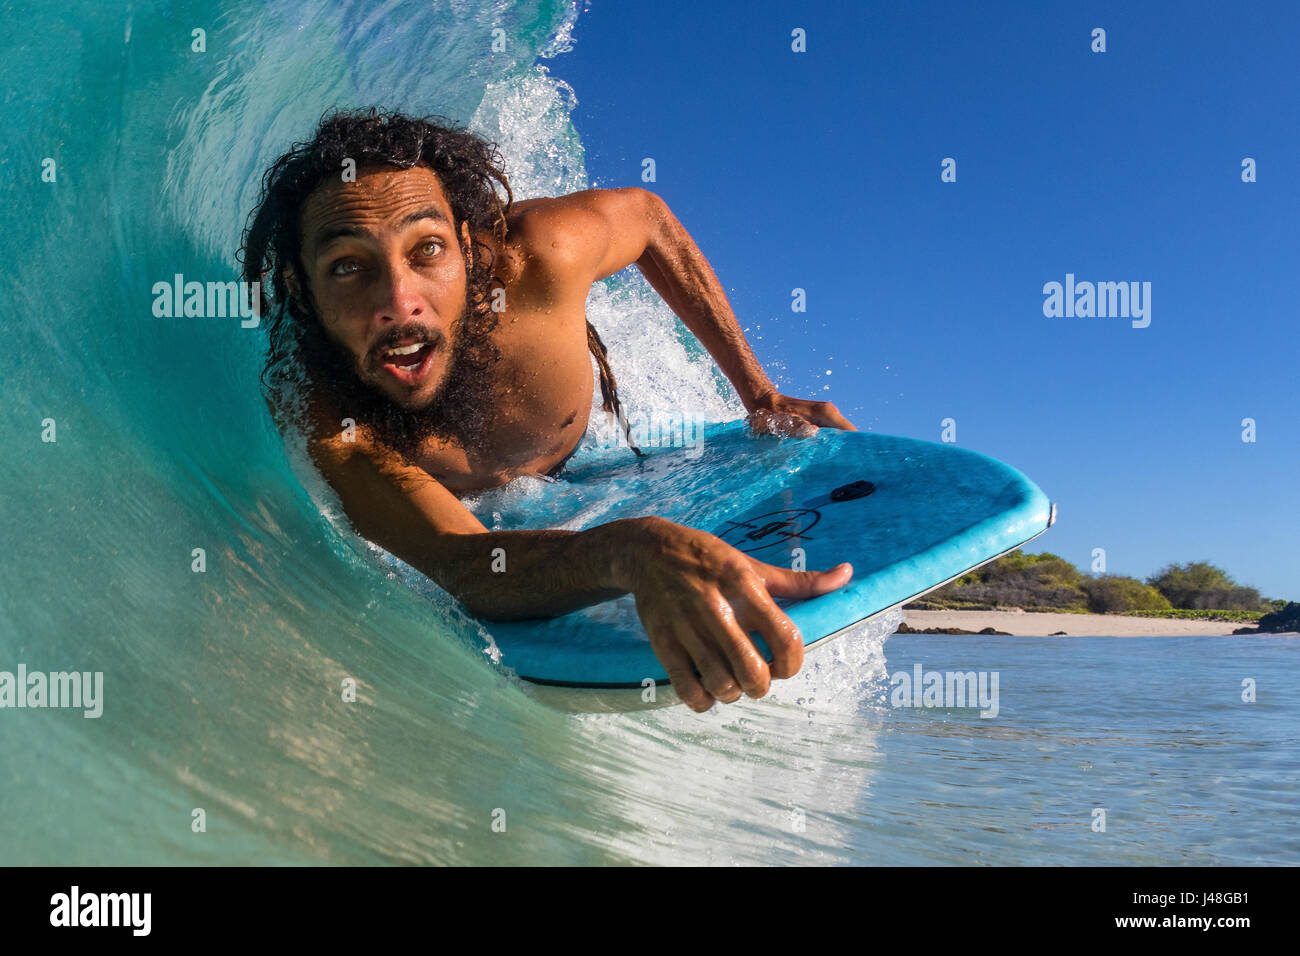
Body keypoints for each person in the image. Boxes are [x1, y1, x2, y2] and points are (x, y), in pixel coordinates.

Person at [241, 108, 857, 712]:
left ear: (466, 246)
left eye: (427, 249)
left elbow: (648, 218)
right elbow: (461, 562)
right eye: (349, 267)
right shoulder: (327, 412)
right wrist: (632, 551)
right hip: (485, 513)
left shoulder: (542, 254)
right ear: (301, 288)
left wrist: (758, 392)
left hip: (587, 466)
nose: (400, 302)